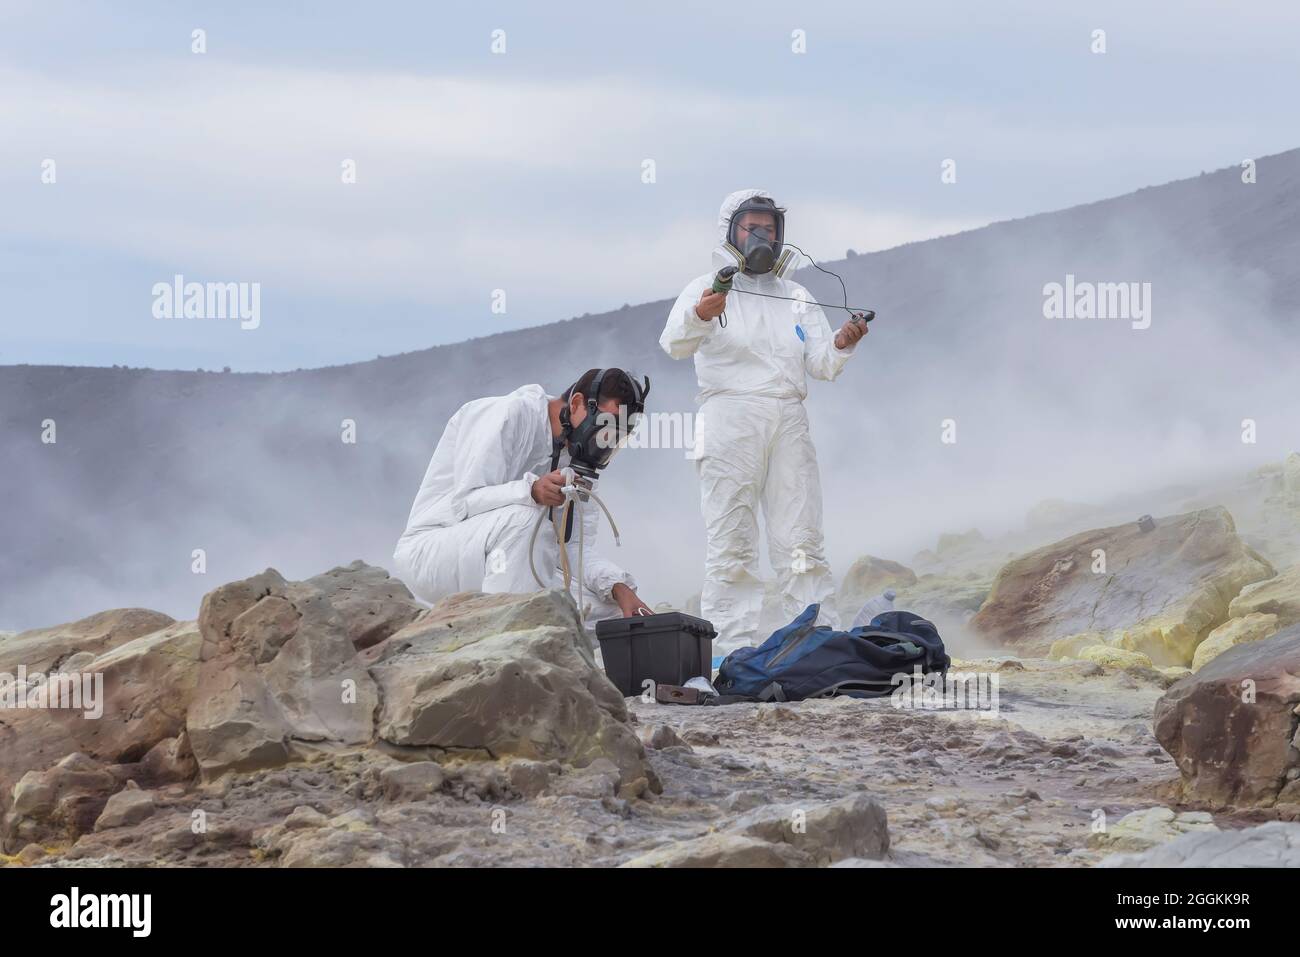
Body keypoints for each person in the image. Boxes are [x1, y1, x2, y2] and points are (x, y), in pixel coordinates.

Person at [660, 189, 868, 649]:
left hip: (789, 418)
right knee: (733, 542)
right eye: (751, 227)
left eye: (769, 229)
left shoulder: (796, 295)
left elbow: (820, 365)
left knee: (801, 541)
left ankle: (815, 643)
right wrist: (701, 314)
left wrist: (842, 342)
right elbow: (673, 344)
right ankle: (729, 654)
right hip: (730, 415)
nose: (762, 236)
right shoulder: (707, 287)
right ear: (730, 231)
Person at [393, 368, 653, 622]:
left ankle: (525, 630)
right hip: (433, 552)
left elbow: (569, 546)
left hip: (505, 560)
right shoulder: (507, 414)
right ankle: (503, 639)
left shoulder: (578, 458)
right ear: (576, 403)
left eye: (616, 434)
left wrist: (618, 586)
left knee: (613, 614)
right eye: (603, 426)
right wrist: (530, 491)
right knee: (526, 519)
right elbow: (464, 503)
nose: (604, 441)